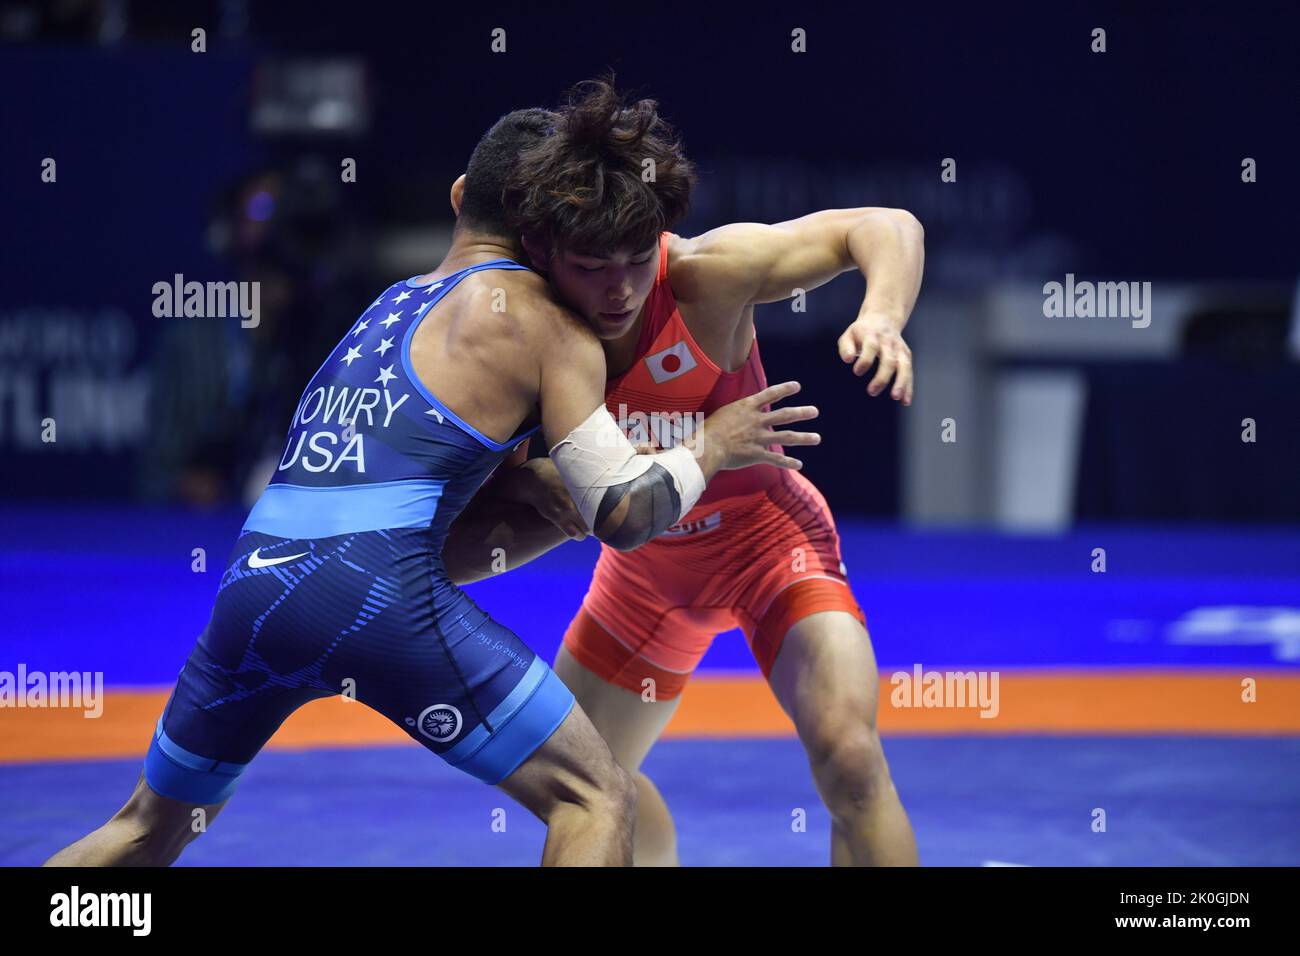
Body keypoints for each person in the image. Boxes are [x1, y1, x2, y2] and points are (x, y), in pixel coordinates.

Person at [43, 108, 819, 868]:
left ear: (458, 198)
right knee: (595, 797)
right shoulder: (550, 324)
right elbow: (623, 517)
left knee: (145, 831)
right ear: (552, 228)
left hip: (253, 583)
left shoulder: (384, 308)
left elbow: (436, 517)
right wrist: (710, 445)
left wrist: (541, 500)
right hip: (374, 590)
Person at [480, 78, 925, 865]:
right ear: (546, 251)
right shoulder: (517, 323)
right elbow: (484, 485)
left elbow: (883, 224)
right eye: (592, 266)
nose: (619, 289)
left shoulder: (704, 276)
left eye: (635, 259)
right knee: (585, 787)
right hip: (643, 573)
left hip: (768, 543)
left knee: (849, 755)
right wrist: (534, 483)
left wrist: (880, 314)